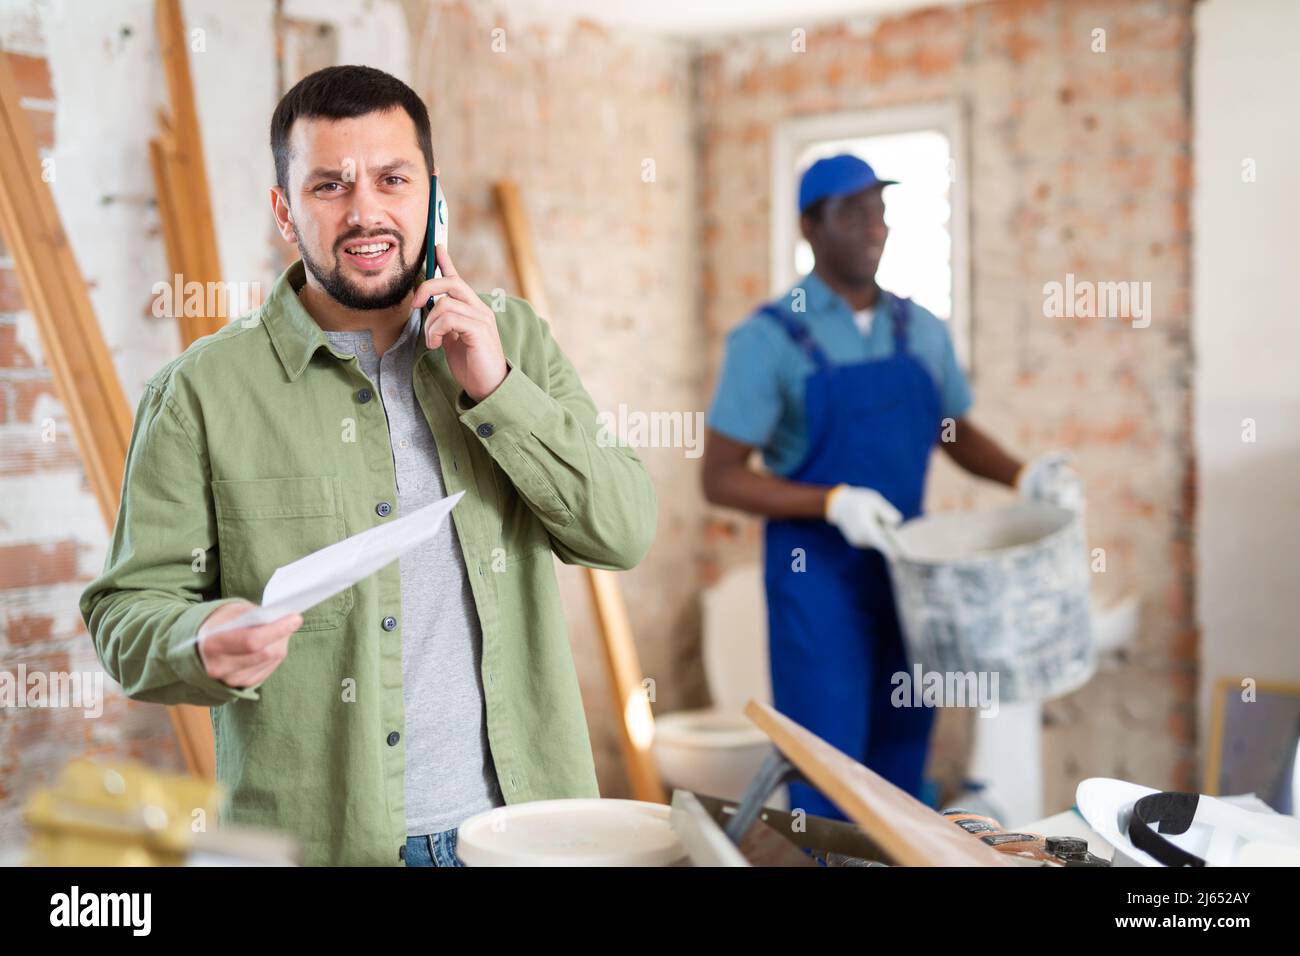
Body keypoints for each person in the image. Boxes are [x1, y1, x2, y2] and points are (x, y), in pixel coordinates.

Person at [80, 65, 657, 866]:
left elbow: (622, 532)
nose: (366, 212)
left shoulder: (513, 339)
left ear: (433, 195)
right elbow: (124, 614)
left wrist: (496, 388)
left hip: (525, 835)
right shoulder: (200, 393)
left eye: (393, 179)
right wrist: (198, 635)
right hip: (326, 844)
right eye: (329, 186)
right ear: (285, 211)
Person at [702, 154, 1077, 820]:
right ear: (811, 229)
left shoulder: (921, 329)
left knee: (903, 764)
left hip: (912, 581)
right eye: (853, 213)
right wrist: (829, 501)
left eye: (880, 211)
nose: (874, 228)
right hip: (817, 585)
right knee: (827, 771)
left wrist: (1025, 475)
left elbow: (952, 431)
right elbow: (720, 477)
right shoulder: (769, 338)